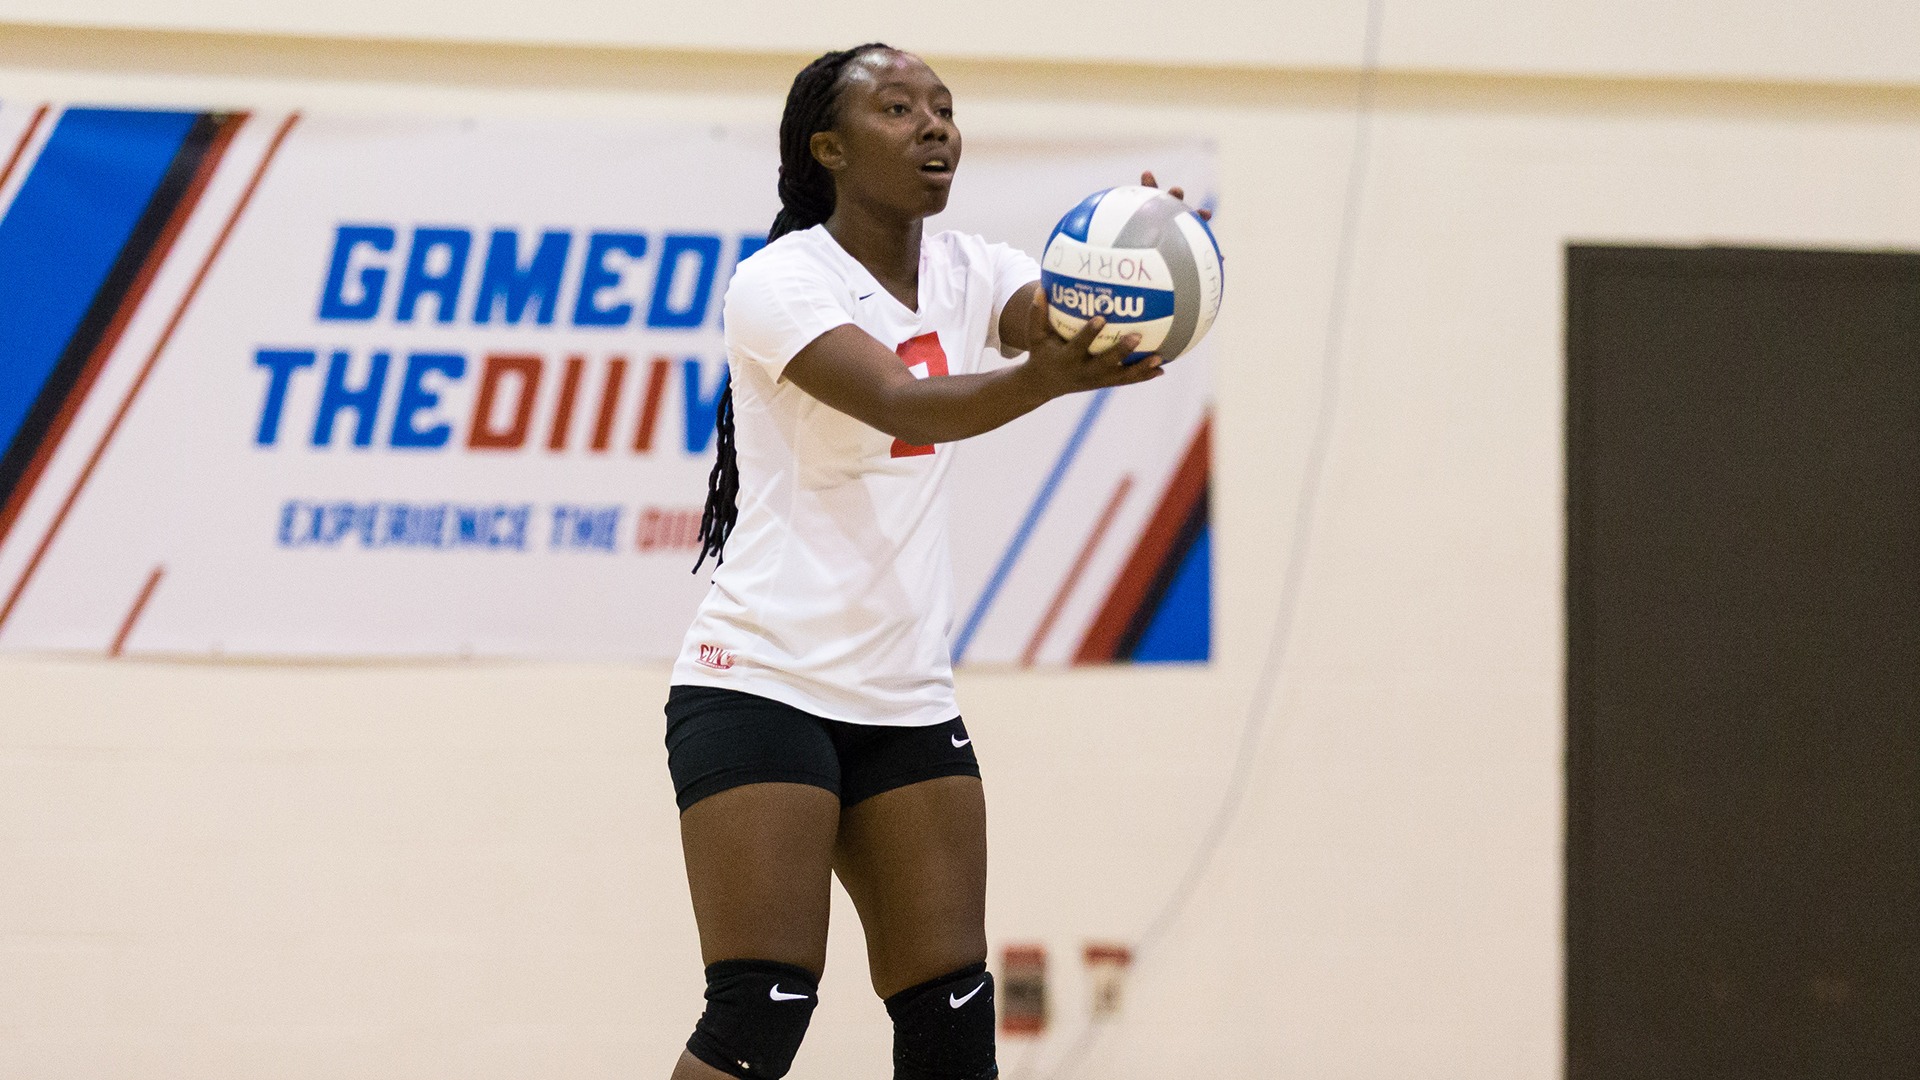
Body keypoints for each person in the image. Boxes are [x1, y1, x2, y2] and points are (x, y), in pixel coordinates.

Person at [663, 42, 1203, 1080]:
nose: (934, 125)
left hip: (905, 696)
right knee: (761, 1009)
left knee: (953, 1015)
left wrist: (1140, 273)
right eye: (898, 108)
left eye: (944, 107)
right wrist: (1051, 374)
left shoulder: (975, 269)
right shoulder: (780, 281)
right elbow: (906, 402)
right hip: (761, 682)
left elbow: (1069, 331)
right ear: (829, 147)